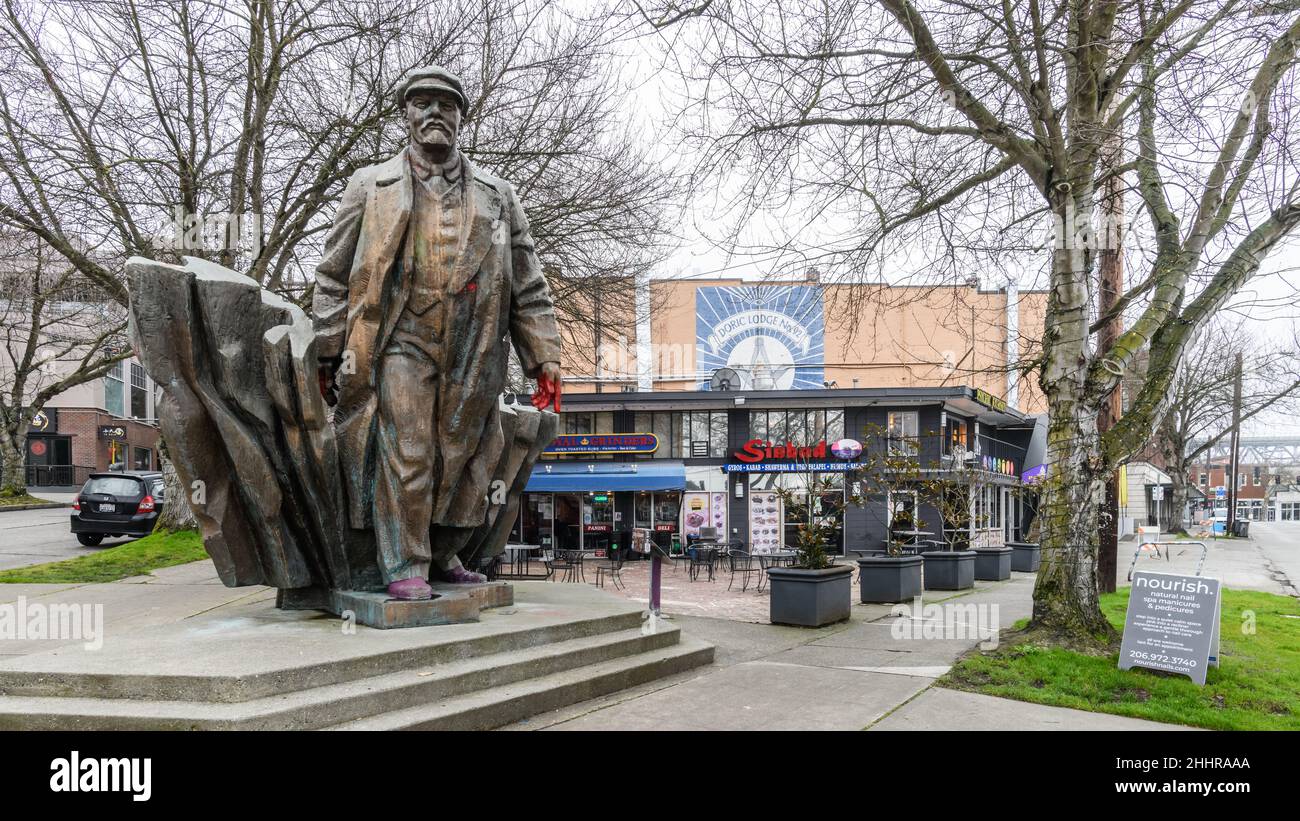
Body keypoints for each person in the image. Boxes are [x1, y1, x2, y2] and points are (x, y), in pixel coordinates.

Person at [313, 65, 562, 600]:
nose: (433, 113)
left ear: (460, 117)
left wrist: (544, 357)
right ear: (405, 113)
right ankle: (405, 561)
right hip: (400, 338)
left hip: (474, 345)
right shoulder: (369, 186)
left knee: (467, 453)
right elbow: (333, 275)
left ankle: (443, 547)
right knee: (411, 447)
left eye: (445, 105)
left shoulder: (499, 195)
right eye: (421, 103)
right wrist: (328, 353)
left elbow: (527, 282)